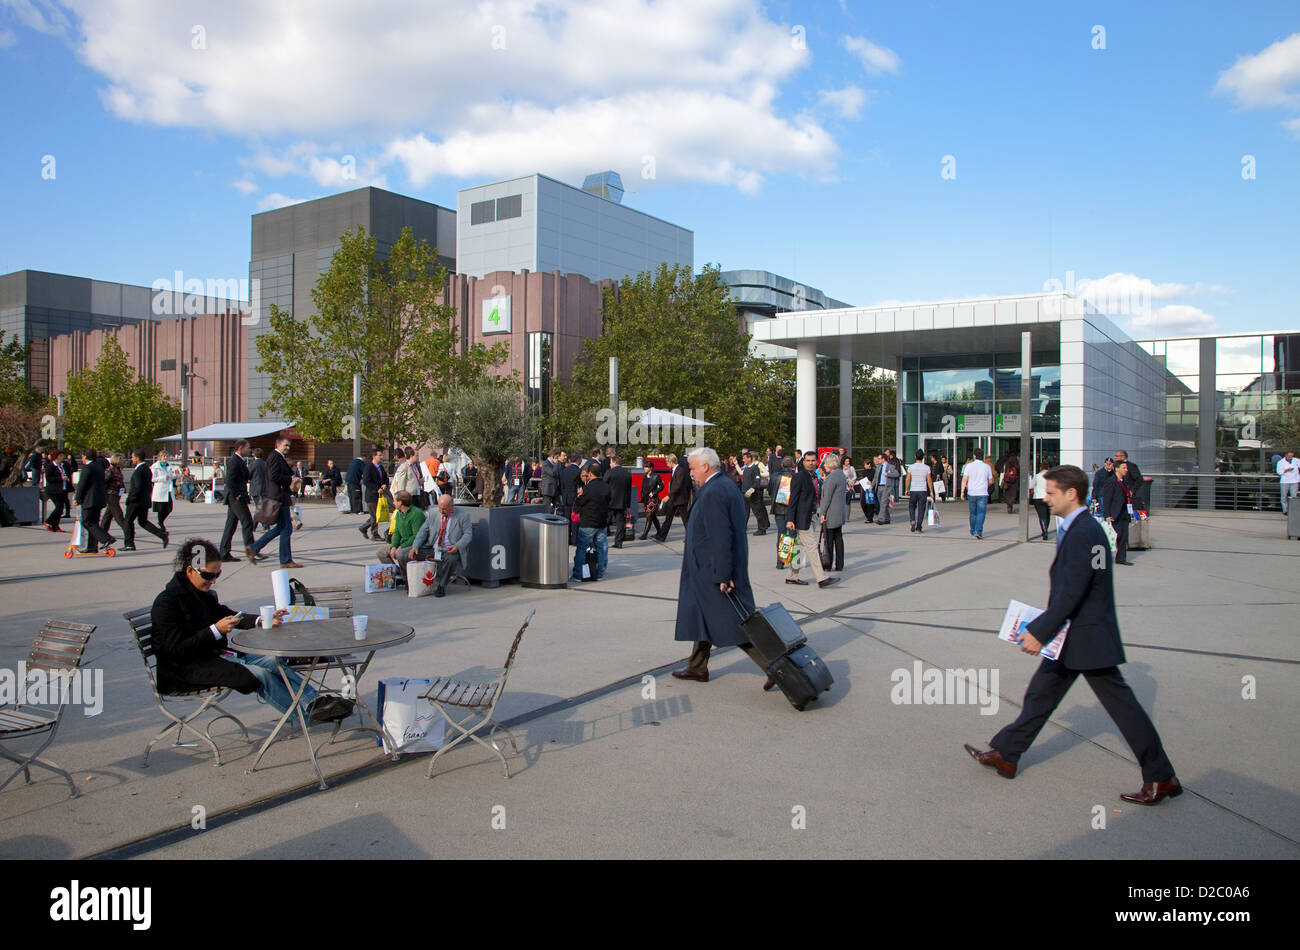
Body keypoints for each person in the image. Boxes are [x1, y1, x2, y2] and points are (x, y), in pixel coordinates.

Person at [964, 465, 1180, 805]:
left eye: (1050, 493)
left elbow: (1074, 592)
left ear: (1071, 494)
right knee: (1040, 695)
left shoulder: (1082, 532)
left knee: (1124, 710)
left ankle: (1161, 776)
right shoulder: (1084, 527)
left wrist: (1039, 631)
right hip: (1078, 633)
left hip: (1085, 636)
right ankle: (1007, 753)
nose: (1045, 498)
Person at [150, 539, 352, 725]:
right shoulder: (166, 603)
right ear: (190, 571)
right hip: (183, 669)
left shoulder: (202, 594)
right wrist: (215, 631)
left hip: (214, 657)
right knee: (259, 674)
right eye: (209, 575)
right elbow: (174, 650)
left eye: (217, 575)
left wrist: (261, 620)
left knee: (275, 661)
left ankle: (314, 702)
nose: (213, 581)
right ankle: (305, 717)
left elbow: (227, 614)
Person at [670, 447, 776, 690]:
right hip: (711, 567)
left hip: (713, 570)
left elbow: (720, 537)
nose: (692, 474)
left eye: (694, 469)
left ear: (705, 467)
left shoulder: (714, 492)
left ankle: (773, 666)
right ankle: (697, 667)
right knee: (704, 614)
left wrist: (722, 575)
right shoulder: (724, 485)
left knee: (734, 621)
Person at [247, 435, 302, 568]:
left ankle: (254, 548)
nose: (287, 448)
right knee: (286, 529)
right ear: (278, 445)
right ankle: (285, 560)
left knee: (282, 528)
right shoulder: (274, 457)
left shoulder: (278, 457)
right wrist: (290, 480)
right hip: (277, 498)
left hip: (281, 497)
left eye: (289, 445)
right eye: (285, 445)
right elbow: (274, 476)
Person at [785, 451, 837, 588]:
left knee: (800, 548)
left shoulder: (814, 476)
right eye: (808, 460)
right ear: (803, 462)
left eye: (813, 460)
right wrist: (790, 519)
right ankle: (821, 578)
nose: (810, 463)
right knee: (812, 547)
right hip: (802, 519)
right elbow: (793, 499)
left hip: (811, 516)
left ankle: (792, 576)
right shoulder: (799, 477)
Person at [409, 494, 472, 597]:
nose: (441, 511)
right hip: (433, 548)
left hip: (450, 549)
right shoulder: (433, 513)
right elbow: (423, 531)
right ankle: (414, 583)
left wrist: (457, 546)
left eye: (444, 509)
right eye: (440, 508)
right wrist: (415, 546)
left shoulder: (463, 515)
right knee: (409, 554)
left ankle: (442, 585)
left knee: (451, 559)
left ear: (452, 507)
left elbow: (468, 535)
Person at [218, 440, 256, 563]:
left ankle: (224, 552)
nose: (249, 450)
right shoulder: (234, 461)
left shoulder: (240, 460)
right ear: (240, 448)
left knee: (231, 524)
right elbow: (229, 480)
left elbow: (245, 476)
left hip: (236, 496)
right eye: (247, 448)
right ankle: (252, 550)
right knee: (247, 522)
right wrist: (237, 495)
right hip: (236, 497)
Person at [375, 490, 426, 581]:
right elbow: (397, 532)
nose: (393, 502)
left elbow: (417, 536)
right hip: (403, 544)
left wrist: (402, 546)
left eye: (395, 500)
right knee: (381, 552)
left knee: (400, 554)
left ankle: (407, 578)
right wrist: (394, 546)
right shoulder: (398, 513)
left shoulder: (416, 514)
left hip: (414, 545)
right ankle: (399, 573)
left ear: (400, 502)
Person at [572, 462, 610, 581]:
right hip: (602, 522)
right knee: (601, 548)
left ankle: (577, 575)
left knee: (582, 549)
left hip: (588, 522)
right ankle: (599, 574)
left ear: (590, 473)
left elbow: (579, 502)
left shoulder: (587, 488)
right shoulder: (607, 487)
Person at [123, 448, 168, 549]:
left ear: (138, 458)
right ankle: (162, 535)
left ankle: (129, 544)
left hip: (136, 501)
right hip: (144, 500)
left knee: (128, 521)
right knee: (143, 521)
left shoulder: (139, 470)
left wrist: (131, 498)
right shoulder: (146, 469)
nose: (132, 459)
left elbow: (137, 487)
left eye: (133, 457)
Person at [73, 450, 116, 553]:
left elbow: (82, 484)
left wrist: (77, 498)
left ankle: (106, 538)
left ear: (85, 456)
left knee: (87, 522)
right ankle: (92, 547)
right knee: (94, 522)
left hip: (89, 499)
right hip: (99, 498)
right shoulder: (99, 467)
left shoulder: (87, 468)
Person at [818, 452, 847, 572]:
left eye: (825, 463)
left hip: (831, 512)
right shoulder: (841, 475)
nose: (824, 465)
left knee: (828, 539)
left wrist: (822, 512)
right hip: (839, 510)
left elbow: (827, 497)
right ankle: (840, 564)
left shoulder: (832, 477)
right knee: (838, 538)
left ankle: (827, 564)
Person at [1103, 460, 1134, 566]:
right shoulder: (1111, 481)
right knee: (1117, 535)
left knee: (1124, 536)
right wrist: (1107, 514)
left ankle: (1121, 558)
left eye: (1126, 468)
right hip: (1114, 513)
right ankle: (1105, 556)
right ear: (1117, 469)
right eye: (1124, 468)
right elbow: (1107, 499)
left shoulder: (1125, 481)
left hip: (1124, 512)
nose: (1126, 470)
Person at [655, 453, 693, 541]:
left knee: (685, 519)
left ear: (671, 462)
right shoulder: (675, 470)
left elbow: (678, 485)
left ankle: (691, 537)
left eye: (667, 463)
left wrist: (668, 496)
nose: (667, 465)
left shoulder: (680, 470)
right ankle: (662, 536)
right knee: (668, 518)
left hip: (680, 499)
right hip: (674, 499)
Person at [961, 448, 994, 539]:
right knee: (981, 513)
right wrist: (986, 484)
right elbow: (991, 481)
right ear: (982, 456)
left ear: (974, 456)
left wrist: (962, 492)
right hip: (983, 493)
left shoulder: (969, 466)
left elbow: (964, 479)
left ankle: (972, 530)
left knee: (973, 513)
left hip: (971, 492)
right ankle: (978, 531)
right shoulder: (987, 467)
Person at [359, 449, 389, 541]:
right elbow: (366, 481)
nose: (382, 457)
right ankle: (374, 534)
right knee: (375, 516)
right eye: (380, 455)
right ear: (374, 456)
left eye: (382, 455)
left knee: (376, 515)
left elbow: (385, 478)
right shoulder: (369, 467)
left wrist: (385, 484)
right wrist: (376, 489)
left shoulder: (380, 467)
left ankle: (363, 527)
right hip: (371, 495)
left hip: (380, 495)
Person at [603, 454, 633, 548]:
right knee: (620, 523)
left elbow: (603, 486)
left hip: (610, 502)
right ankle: (618, 542)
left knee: (605, 522)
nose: (610, 464)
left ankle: (600, 541)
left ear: (614, 462)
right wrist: (628, 505)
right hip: (621, 502)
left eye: (611, 462)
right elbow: (629, 491)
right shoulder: (627, 474)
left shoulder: (609, 472)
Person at [99, 453, 130, 540]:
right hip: (110, 494)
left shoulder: (118, 470)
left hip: (116, 494)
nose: (123, 461)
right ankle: (128, 531)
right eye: (121, 460)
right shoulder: (111, 470)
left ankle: (101, 532)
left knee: (108, 515)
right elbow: (104, 480)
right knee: (118, 514)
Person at [740, 450, 770, 536]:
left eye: (744, 458)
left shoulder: (755, 468)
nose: (743, 460)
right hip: (745, 494)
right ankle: (743, 527)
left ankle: (762, 529)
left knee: (757, 511)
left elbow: (757, 481)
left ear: (749, 458)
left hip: (754, 494)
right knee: (744, 512)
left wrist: (752, 489)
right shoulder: (746, 468)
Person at [905, 450, 934, 533]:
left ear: (915, 457)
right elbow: (929, 480)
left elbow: (908, 478)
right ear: (923, 457)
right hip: (923, 490)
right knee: (921, 509)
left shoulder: (911, 467)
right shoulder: (926, 467)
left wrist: (907, 489)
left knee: (912, 506)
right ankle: (919, 527)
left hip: (913, 490)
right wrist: (931, 491)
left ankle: (912, 520)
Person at [42, 449, 67, 532]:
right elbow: (49, 478)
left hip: (62, 489)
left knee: (60, 508)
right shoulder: (50, 466)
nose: (62, 457)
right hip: (53, 490)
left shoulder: (62, 465)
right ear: (56, 457)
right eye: (60, 456)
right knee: (59, 506)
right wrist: (60, 478)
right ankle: (48, 521)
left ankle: (55, 526)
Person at [638, 462, 665, 541]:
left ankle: (644, 534)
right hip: (646, 499)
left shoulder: (656, 476)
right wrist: (642, 496)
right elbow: (643, 487)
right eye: (644, 467)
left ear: (651, 468)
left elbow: (662, 486)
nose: (644, 468)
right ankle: (660, 532)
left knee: (649, 516)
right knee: (653, 517)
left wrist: (654, 492)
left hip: (653, 499)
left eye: (646, 467)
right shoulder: (644, 476)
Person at [1029, 460, 1052, 540]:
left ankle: (1044, 532)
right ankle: (1045, 530)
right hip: (1049, 497)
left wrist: (1030, 479)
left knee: (1042, 516)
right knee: (1048, 515)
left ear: (1040, 468)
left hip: (1038, 497)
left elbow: (1030, 486)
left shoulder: (1037, 476)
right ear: (1048, 468)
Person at [1279, 450, 1300, 515]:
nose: (1291, 457)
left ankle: (1293, 511)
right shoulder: (1281, 462)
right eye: (1289, 456)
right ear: (1286, 455)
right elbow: (1279, 472)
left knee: (1294, 497)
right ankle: (1285, 510)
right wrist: (1286, 470)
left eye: (1292, 456)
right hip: (1285, 481)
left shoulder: (1296, 460)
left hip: (1294, 481)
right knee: (1284, 497)